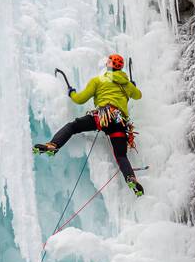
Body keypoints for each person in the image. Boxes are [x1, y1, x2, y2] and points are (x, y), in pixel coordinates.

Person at [34, 54, 144, 197]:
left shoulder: (98, 80)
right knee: (121, 155)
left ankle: (53, 145)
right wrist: (132, 86)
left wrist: (71, 93)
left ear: (109, 65)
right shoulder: (127, 84)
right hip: (119, 123)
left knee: (73, 127)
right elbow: (138, 95)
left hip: (102, 117)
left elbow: (80, 100)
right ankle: (131, 178)